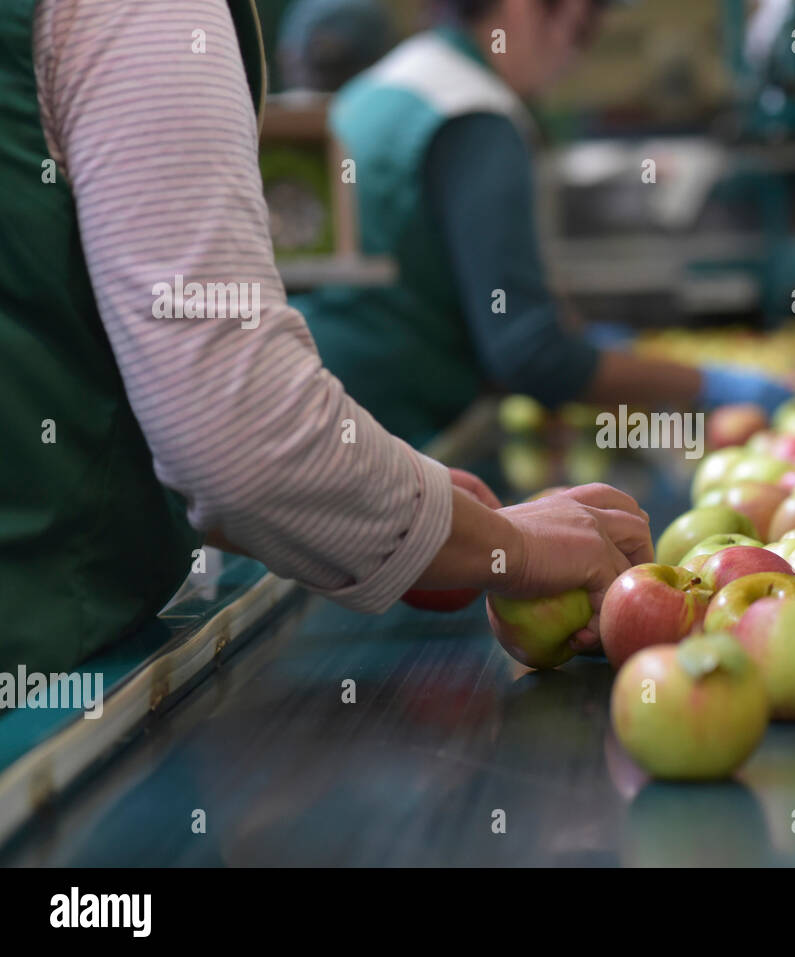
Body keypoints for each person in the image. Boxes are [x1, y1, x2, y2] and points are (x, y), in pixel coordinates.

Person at [0, 0, 652, 675]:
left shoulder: (393, 86)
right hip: (42, 661)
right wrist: (511, 543)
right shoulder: (146, 11)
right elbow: (236, 442)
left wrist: (393, 502)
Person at [290, 0, 794, 448]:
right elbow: (531, 356)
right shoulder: (474, 113)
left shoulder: (399, 81)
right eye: (584, 25)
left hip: (315, 418)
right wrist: (711, 385)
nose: (576, 57)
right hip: (386, 438)